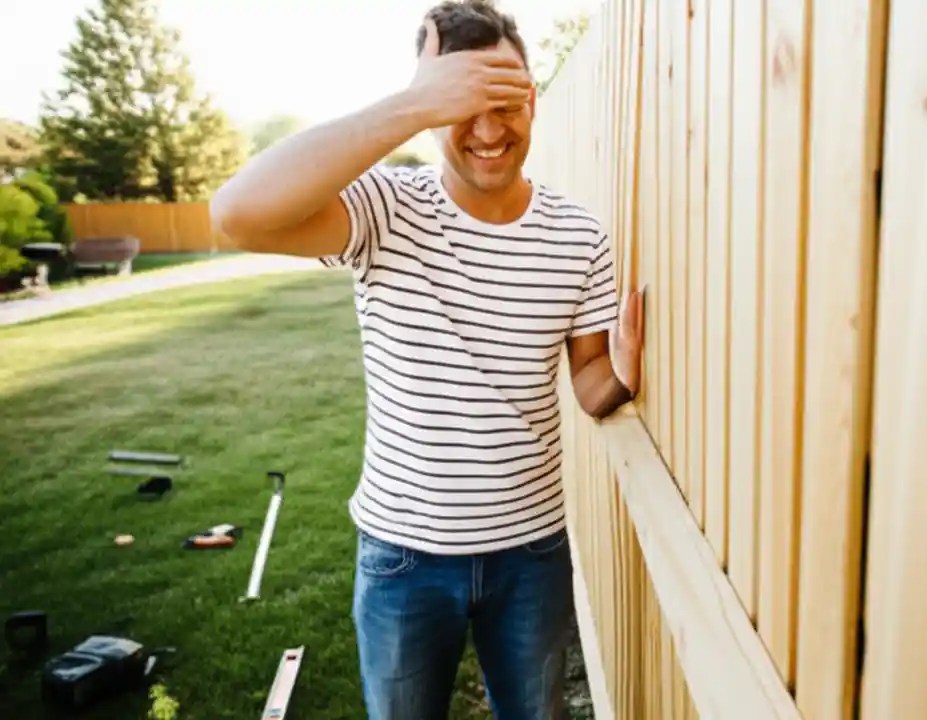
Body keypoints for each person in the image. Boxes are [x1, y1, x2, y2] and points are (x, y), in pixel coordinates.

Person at [210, 1, 644, 718]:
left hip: (531, 554)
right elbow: (237, 215)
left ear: (531, 98)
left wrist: (623, 377)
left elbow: (590, 380)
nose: (486, 130)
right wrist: (412, 105)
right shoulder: (385, 210)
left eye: (501, 101)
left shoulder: (580, 236)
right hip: (402, 560)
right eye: (459, 105)